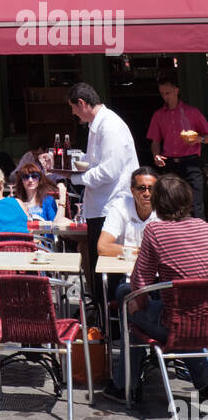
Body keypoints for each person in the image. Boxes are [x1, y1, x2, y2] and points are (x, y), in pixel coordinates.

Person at [105, 175, 208, 403]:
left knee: (124, 294)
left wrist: (135, 306)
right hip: (205, 321)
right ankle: (204, 381)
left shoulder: (155, 232)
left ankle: (125, 386)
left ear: (158, 203)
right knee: (181, 317)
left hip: (175, 324)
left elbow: (140, 284)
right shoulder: (204, 227)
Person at [68, 81, 139, 286]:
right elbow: (93, 161)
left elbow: (109, 170)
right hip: (100, 206)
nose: (74, 113)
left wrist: (76, 179)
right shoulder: (97, 125)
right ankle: (102, 311)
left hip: (111, 207)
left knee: (108, 270)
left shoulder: (110, 126)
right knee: (98, 267)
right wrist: (66, 163)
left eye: (73, 108)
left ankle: (110, 313)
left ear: (81, 103)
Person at [147, 71, 208, 221]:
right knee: (170, 205)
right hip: (170, 165)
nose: (165, 97)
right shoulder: (159, 115)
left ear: (176, 91)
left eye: (168, 93)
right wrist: (156, 155)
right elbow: (155, 141)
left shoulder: (192, 113)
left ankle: (202, 242)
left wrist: (198, 139)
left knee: (196, 206)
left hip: (191, 163)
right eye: (162, 94)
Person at [97, 167, 158, 259]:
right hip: (123, 269)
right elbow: (102, 247)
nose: (147, 193)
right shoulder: (120, 207)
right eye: (141, 188)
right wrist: (142, 252)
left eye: (151, 188)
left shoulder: (164, 209)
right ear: (132, 190)